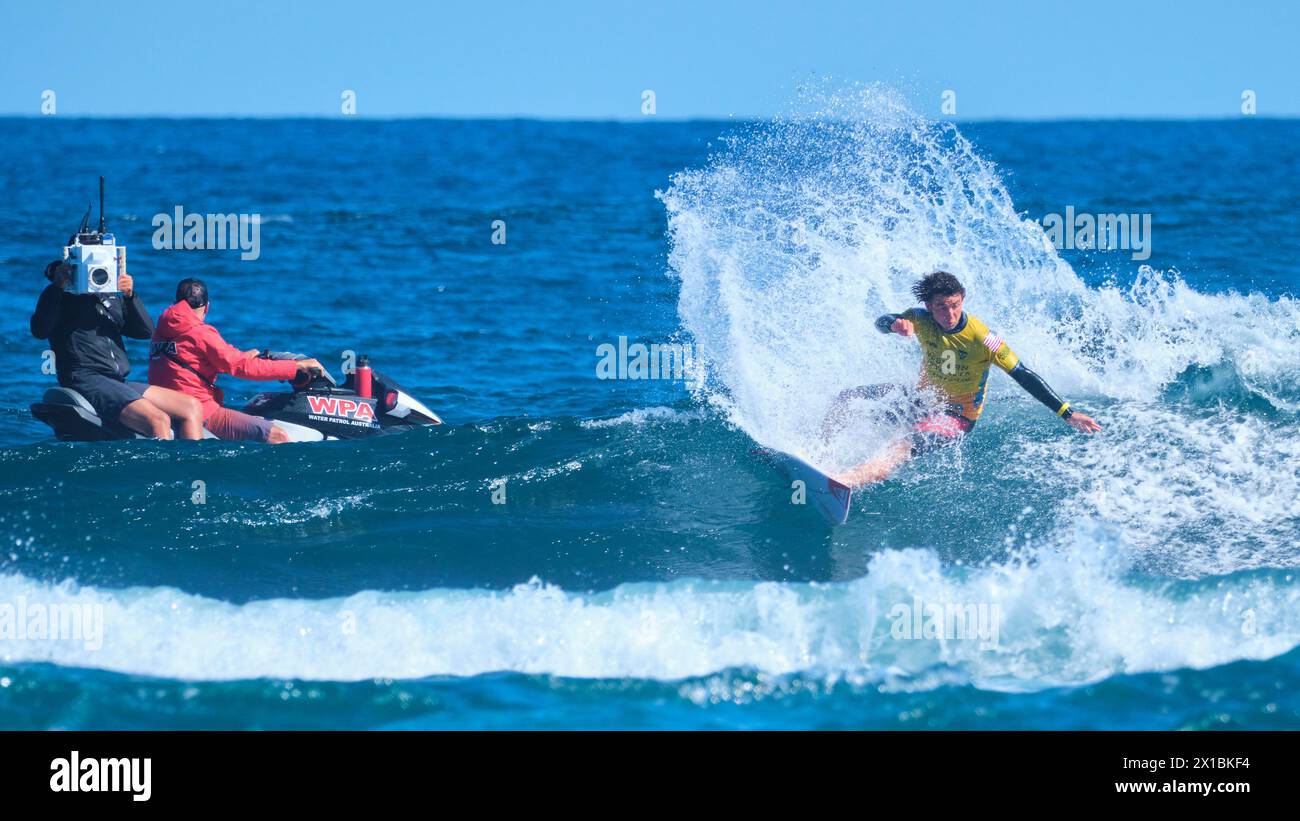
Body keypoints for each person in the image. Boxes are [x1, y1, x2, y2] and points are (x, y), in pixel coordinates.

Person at [828, 270, 1101, 486]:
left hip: (955, 415)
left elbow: (1023, 374)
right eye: (941, 307)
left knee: (901, 446)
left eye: (955, 305)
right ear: (928, 306)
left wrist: (1067, 413)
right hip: (921, 398)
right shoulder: (919, 318)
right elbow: (882, 321)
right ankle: (819, 452)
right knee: (847, 399)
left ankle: (842, 482)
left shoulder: (984, 339)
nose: (949, 314)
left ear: (962, 299)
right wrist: (893, 324)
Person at [30, 251, 203, 439]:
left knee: (191, 407)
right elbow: (40, 330)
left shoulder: (112, 296)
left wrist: (129, 296)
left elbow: (145, 331)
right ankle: (161, 469)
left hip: (116, 381)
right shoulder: (59, 296)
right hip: (85, 378)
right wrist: (57, 287)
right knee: (158, 420)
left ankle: (192, 467)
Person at [148, 278, 324, 443]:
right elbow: (242, 368)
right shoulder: (200, 332)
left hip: (167, 407)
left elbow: (192, 361)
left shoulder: (162, 329)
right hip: (200, 411)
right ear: (207, 307)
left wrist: (240, 357)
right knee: (278, 435)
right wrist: (296, 366)